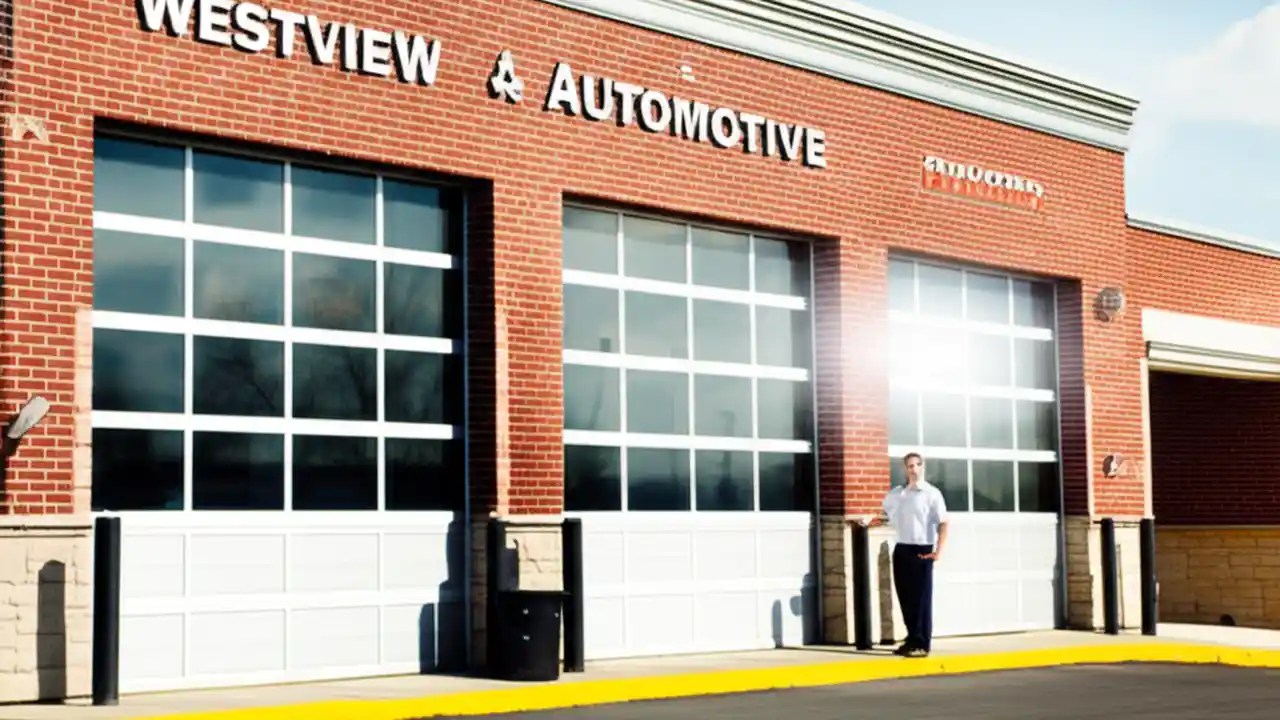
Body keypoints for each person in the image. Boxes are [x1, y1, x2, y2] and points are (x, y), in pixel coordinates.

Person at [868, 452, 948, 658]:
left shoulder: (931, 494)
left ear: (922, 467)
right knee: (905, 598)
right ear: (905, 469)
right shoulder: (898, 493)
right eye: (909, 466)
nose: (912, 470)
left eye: (916, 465)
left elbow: (943, 523)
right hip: (902, 549)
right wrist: (868, 521)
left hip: (922, 550)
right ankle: (912, 638)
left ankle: (922, 644)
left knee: (921, 600)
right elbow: (884, 515)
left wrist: (938, 551)